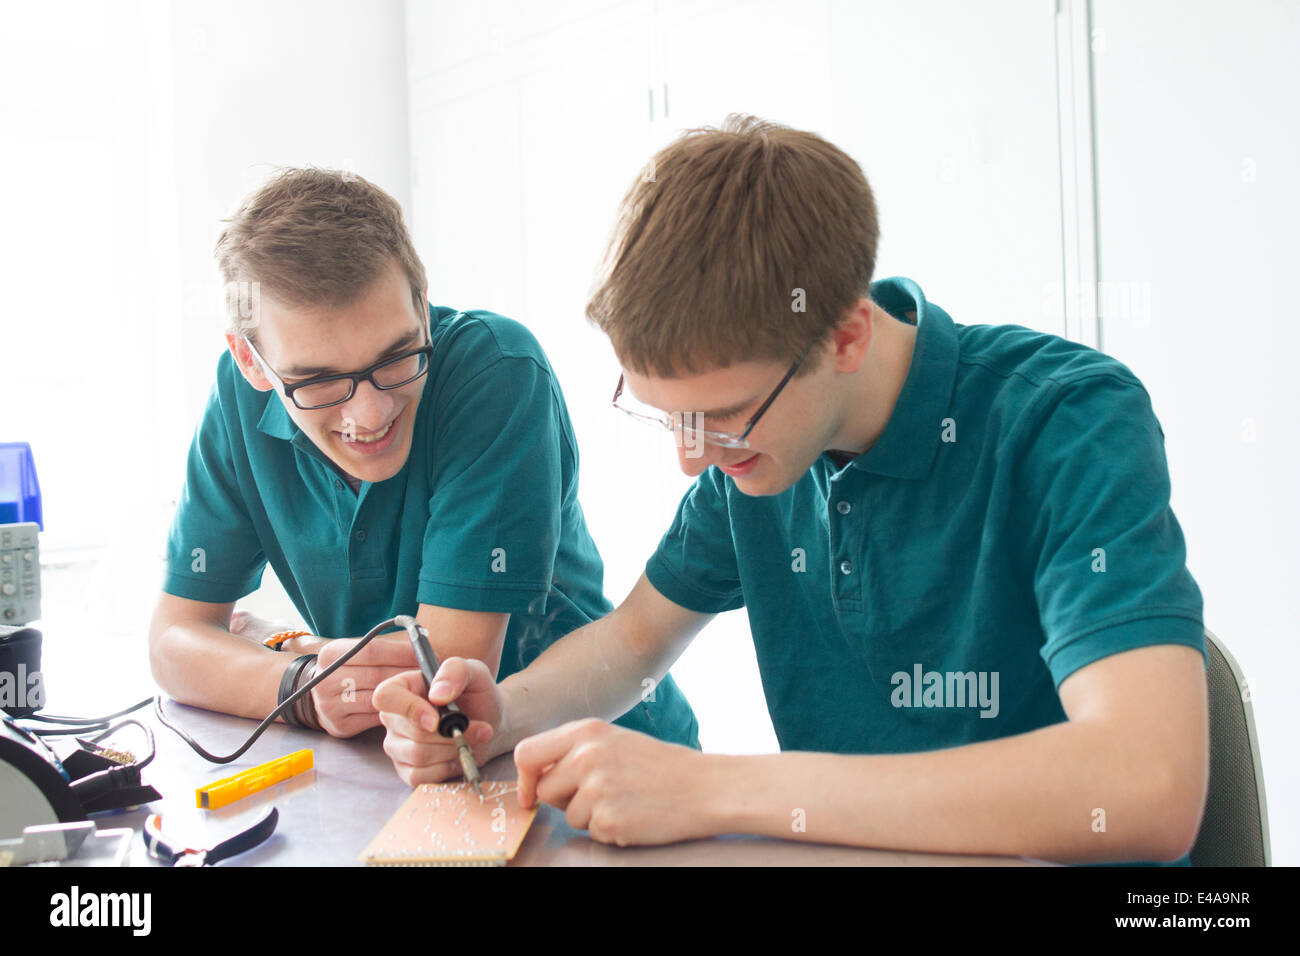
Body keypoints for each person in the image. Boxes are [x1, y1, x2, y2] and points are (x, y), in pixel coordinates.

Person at [373, 117, 1209, 865]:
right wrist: (498, 714)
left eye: (722, 418)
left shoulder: (1069, 421)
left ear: (846, 336)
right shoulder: (760, 456)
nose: (693, 461)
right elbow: (630, 644)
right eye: (668, 418)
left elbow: (1147, 785)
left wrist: (714, 787)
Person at [147, 168, 698, 748]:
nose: (370, 414)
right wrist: (301, 684)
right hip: (400, 762)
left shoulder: (495, 372)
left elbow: (443, 680)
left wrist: (291, 649)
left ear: (423, 303)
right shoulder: (237, 398)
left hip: (599, 749)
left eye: (396, 357)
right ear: (251, 362)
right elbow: (172, 645)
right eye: (318, 381)